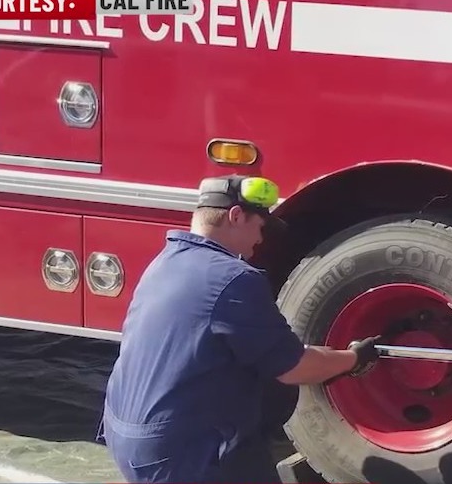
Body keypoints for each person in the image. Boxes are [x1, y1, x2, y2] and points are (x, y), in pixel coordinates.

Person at [97, 174, 381, 484]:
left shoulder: (165, 262)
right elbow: (294, 368)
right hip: (182, 454)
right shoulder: (233, 278)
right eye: (260, 227)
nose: (260, 241)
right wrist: (353, 358)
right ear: (235, 216)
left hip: (127, 436)